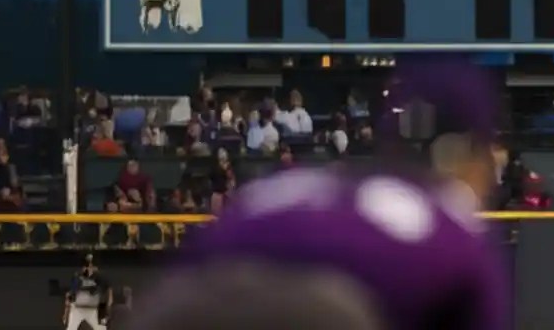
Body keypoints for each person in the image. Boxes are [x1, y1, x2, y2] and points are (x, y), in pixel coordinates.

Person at [127, 55, 509, 330]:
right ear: (465, 152)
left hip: (193, 302)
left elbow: (181, 280)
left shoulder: (281, 191)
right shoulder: (449, 225)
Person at [65, 254, 111, 330]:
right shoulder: (77, 277)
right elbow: (70, 294)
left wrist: (104, 313)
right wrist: (67, 310)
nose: (89, 268)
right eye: (87, 266)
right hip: (78, 309)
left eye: (91, 266)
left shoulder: (100, 278)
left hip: (92, 310)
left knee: (101, 328)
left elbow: (103, 296)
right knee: (71, 328)